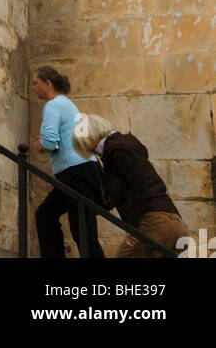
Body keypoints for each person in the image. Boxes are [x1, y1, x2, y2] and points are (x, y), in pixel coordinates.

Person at [72, 113, 190, 258]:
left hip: (155, 223)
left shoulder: (117, 151)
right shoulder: (121, 148)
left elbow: (140, 186)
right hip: (173, 223)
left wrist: (134, 227)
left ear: (88, 140)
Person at [33, 65, 105, 258]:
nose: (33, 88)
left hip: (76, 172)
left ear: (47, 83)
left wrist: (40, 145)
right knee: (47, 216)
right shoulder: (66, 103)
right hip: (79, 171)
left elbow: (50, 140)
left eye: (36, 83)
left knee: (83, 231)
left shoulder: (53, 105)